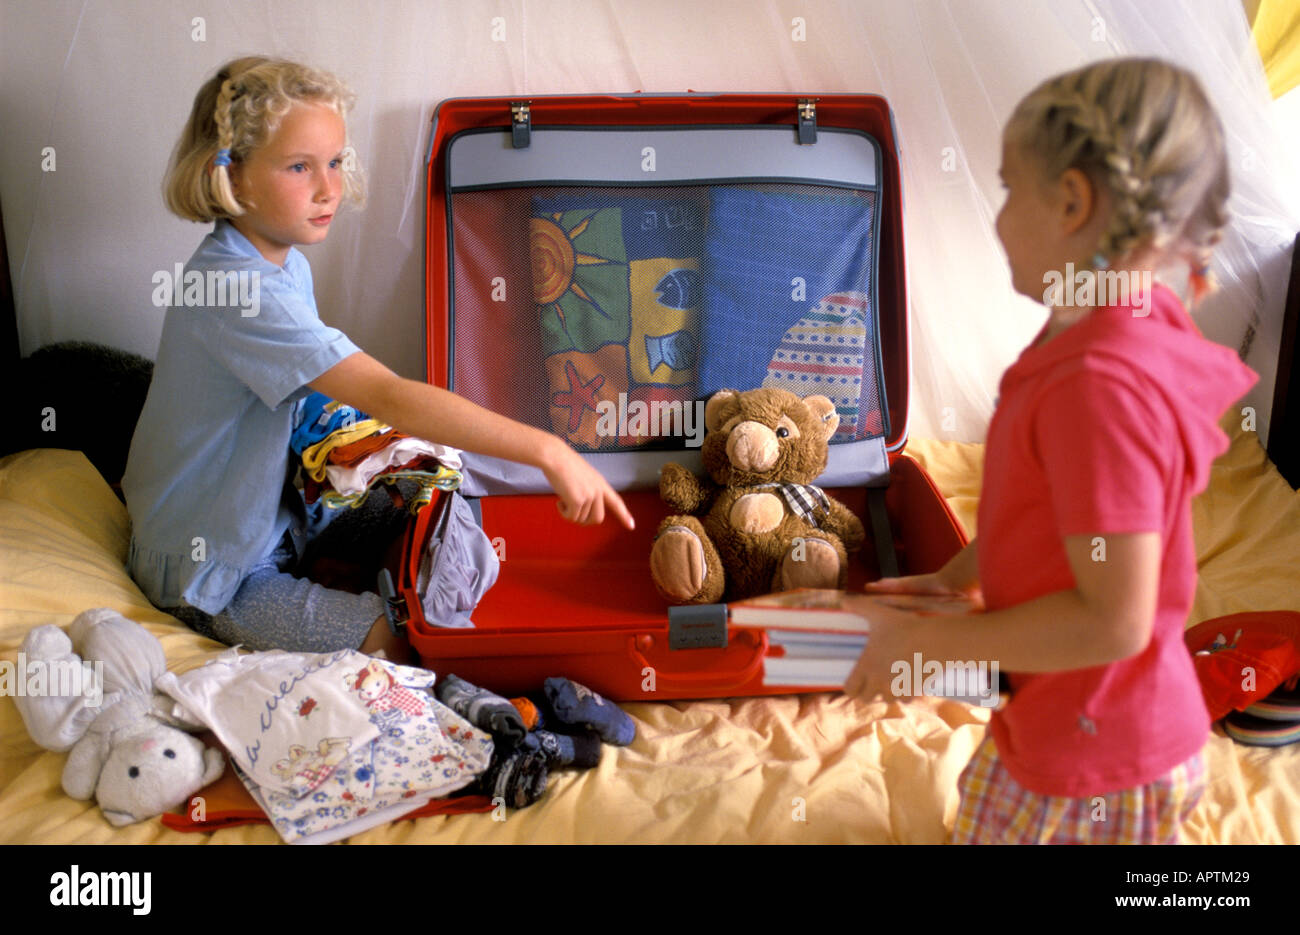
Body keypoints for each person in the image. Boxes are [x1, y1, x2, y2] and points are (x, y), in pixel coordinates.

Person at [842, 57, 1258, 844]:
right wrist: (956, 581)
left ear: (1070, 201)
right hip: (1088, 723)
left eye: (1007, 189)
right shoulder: (1116, 323)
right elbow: (1049, 519)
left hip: (1097, 748)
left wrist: (931, 643)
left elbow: (1114, 619)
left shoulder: (1097, 385)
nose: (997, 218)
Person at [123, 57, 633, 661]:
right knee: (401, 645)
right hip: (208, 571)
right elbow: (388, 394)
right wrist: (549, 449)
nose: (328, 188)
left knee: (436, 499)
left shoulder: (282, 262)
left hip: (280, 519)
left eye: (335, 162)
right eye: (298, 167)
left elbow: (315, 401)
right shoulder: (239, 291)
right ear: (229, 175)